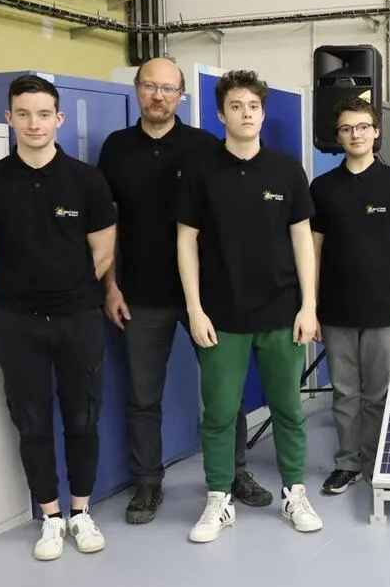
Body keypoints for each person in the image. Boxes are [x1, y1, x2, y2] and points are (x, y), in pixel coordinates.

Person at [98, 57, 272, 525]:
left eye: (169, 88)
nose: (159, 96)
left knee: (224, 394)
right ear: (138, 91)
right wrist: (110, 285)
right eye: (151, 87)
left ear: (182, 96)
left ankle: (234, 473)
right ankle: (147, 484)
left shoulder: (203, 148)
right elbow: (107, 224)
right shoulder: (115, 148)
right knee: (142, 397)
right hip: (139, 294)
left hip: (207, 297)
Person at [0, 74, 116, 560]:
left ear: (58, 120)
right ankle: (50, 516)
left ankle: (81, 512)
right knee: (30, 420)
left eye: (43, 114)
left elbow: (103, 252)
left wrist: (64, 292)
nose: (33, 123)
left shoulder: (86, 180)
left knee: (82, 418)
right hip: (17, 322)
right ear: (9, 118)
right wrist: (23, 298)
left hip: (79, 319)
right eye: (23, 114)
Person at [175, 69, 322, 543]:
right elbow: (186, 241)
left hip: (281, 312)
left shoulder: (286, 170)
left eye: (253, 107)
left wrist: (309, 305)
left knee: (288, 410)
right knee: (219, 413)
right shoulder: (200, 171)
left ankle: (295, 492)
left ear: (263, 113)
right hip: (221, 318)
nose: (246, 114)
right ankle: (219, 498)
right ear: (221, 114)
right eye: (236, 107)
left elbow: (303, 240)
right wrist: (195, 309)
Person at [310, 96, 390, 494]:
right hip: (337, 311)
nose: (355, 135)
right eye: (347, 129)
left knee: (378, 393)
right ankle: (346, 463)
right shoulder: (322, 187)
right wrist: (311, 307)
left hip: (385, 311)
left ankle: (376, 460)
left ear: (376, 132)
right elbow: (314, 250)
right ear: (337, 136)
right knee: (343, 392)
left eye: (362, 127)